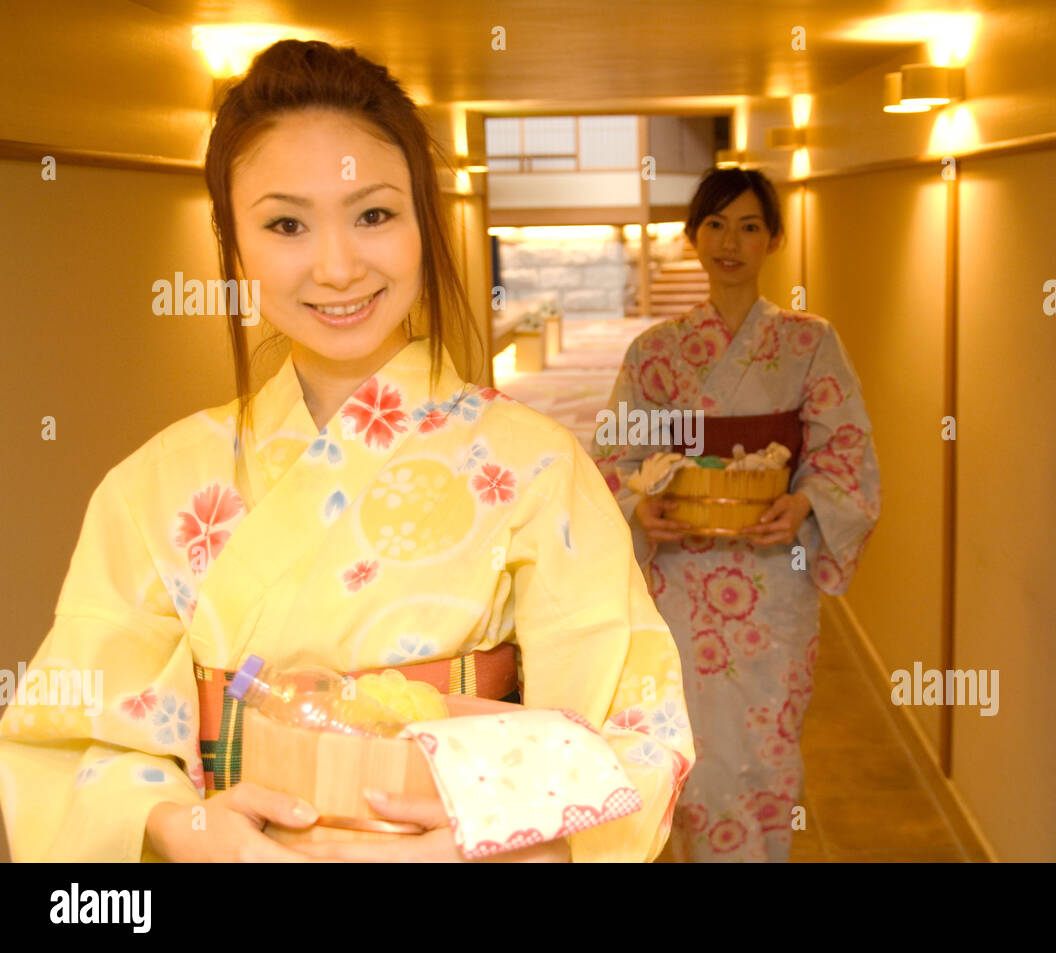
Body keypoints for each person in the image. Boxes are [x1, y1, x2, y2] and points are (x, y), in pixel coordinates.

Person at [0, 40, 692, 863]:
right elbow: (73, 733)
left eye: (373, 214)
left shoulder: (538, 467)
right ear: (233, 245)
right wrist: (183, 827)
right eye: (286, 223)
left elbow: (636, 731)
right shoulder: (155, 484)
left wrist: (508, 834)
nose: (337, 266)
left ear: (423, 221)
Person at [591, 167, 881, 862]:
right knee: (692, 740)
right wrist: (640, 503)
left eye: (749, 226)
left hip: (775, 573)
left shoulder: (811, 342)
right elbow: (615, 456)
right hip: (684, 582)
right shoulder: (654, 353)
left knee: (767, 740)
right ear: (692, 238)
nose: (730, 241)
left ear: (773, 239)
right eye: (715, 225)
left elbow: (845, 447)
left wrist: (806, 501)